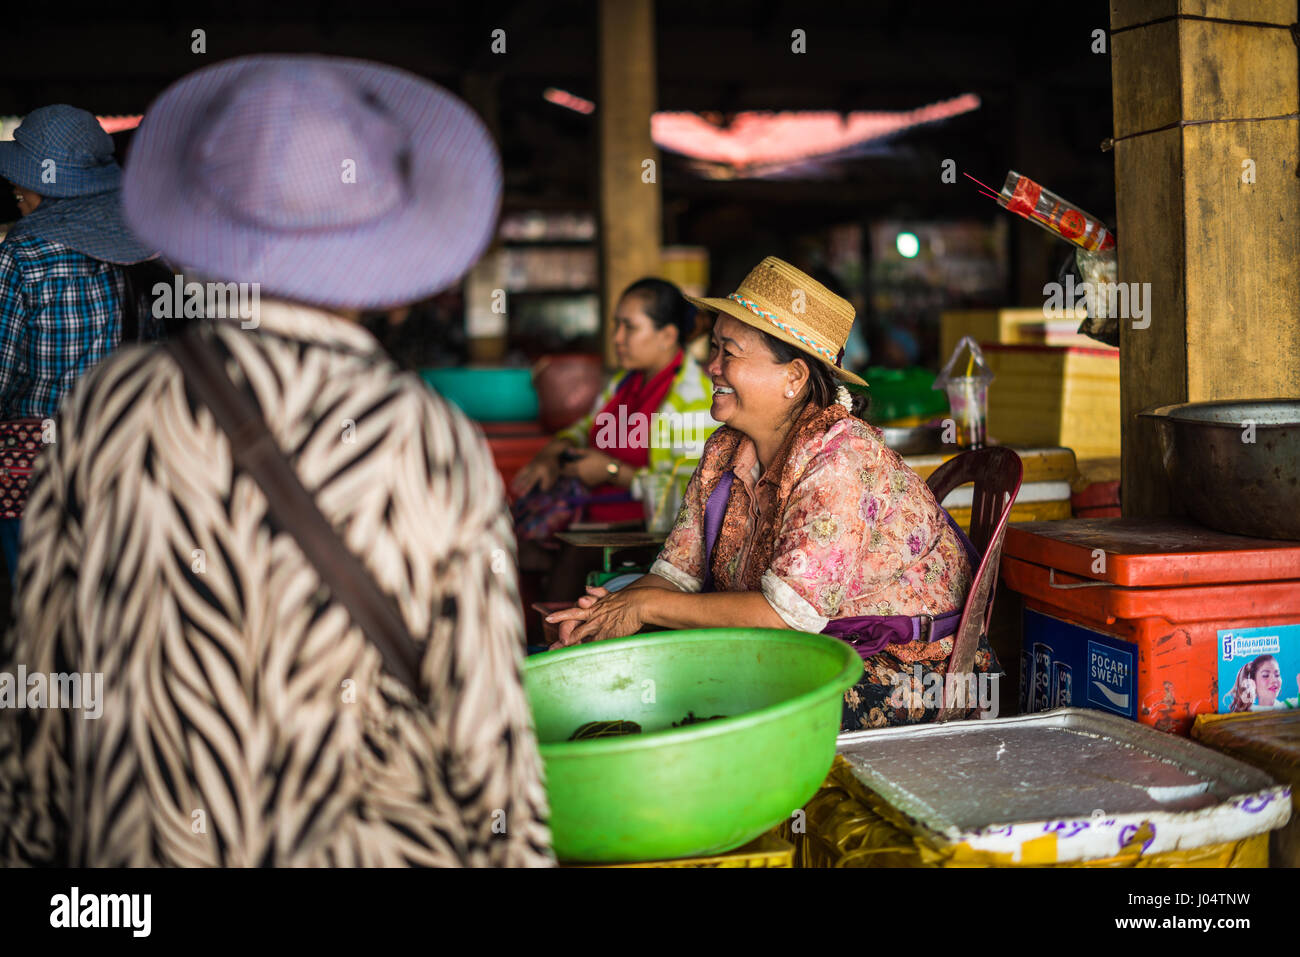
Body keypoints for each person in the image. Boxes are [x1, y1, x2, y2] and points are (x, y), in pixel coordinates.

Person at [0, 56, 552, 866]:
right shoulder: (428, 435)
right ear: (380, 260)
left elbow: (40, 689)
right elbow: (486, 730)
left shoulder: (105, 413)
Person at [547, 257, 998, 731]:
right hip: (807, 650)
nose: (712, 367)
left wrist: (642, 606)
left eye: (730, 352)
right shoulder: (725, 451)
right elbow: (676, 577)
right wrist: (601, 617)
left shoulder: (842, 459)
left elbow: (784, 617)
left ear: (794, 378)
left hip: (906, 670)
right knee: (635, 678)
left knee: (715, 714)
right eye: (713, 347)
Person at [0, 105, 159, 581]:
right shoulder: (142, 250)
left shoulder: (23, 256)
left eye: (23, 177)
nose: (14, 186)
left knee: (44, 612)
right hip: (125, 464)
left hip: (32, 478)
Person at [511, 277, 718, 527]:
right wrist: (553, 452)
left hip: (641, 540)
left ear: (667, 336)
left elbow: (690, 498)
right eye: (616, 325)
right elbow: (586, 428)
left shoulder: (693, 398)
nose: (617, 338)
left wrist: (613, 471)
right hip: (588, 522)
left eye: (629, 327)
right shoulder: (623, 383)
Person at [1229, 655, 1299, 712]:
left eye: (1277, 675)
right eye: (1265, 675)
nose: (1274, 680)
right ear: (1253, 682)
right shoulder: (1248, 711)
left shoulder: (1289, 705)